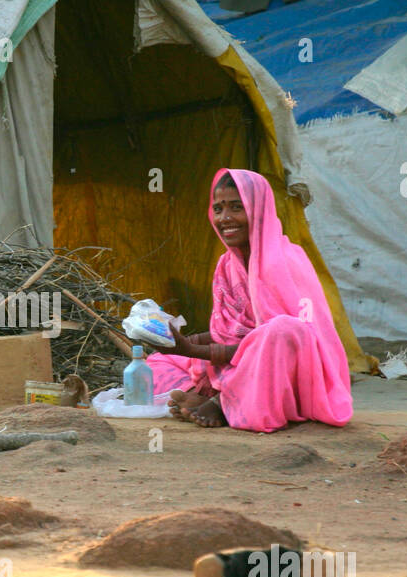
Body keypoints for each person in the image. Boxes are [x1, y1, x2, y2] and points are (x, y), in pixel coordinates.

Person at [145, 168, 353, 432]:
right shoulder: (226, 265)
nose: (225, 218)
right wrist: (178, 341)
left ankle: (224, 402)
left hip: (283, 375)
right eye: (218, 209)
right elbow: (229, 334)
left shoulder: (283, 260)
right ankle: (202, 395)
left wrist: (192, 350)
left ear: (259, 210)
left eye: (236, 207)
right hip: (235, 364)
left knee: (283, 330)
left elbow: (275, 344)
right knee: (155, 362)